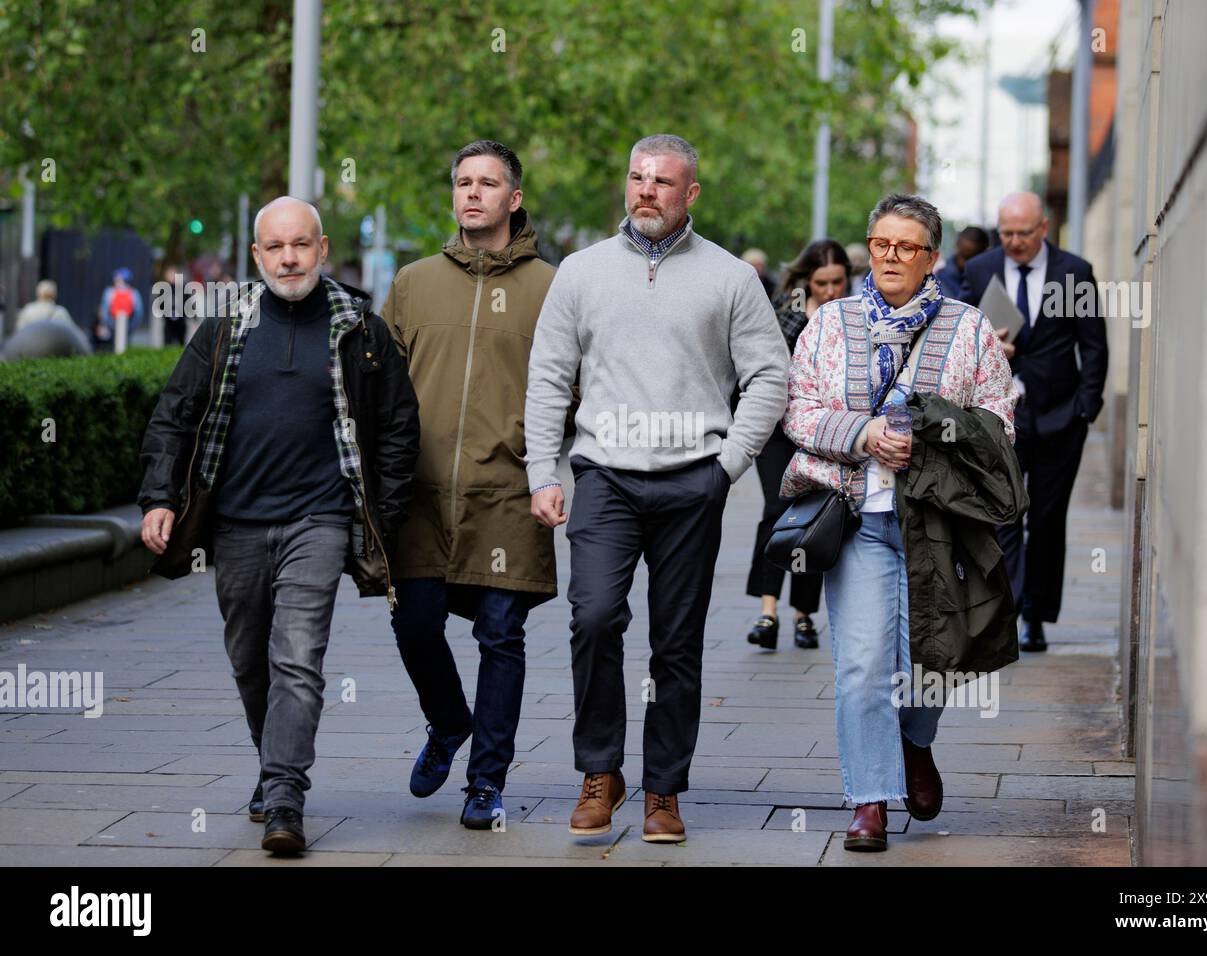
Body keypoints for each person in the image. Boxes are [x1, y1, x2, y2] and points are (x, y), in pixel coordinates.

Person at [525, 134, 788, 843]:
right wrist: (542, 472)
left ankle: (663, 791)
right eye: (637, 177)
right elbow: (549, 374)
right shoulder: (579, 273)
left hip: (691, 483)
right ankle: (599, 771)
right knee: (595, 617)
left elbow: (771, 374)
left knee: (676, 643)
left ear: (691, 194)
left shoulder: (731, 278)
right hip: (605, 478)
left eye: (662, 182)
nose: (645, 190)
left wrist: (727, 466)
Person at [137, 196, 420, 855]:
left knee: (298, 658)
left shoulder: (361, 330)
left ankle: (285, 798)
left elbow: (400, 431)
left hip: (318, 521)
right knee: (249, 660)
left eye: (301, 244)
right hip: (235, 525)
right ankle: (272, 767)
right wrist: (159, 497)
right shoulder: (227, 326)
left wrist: (384, 513)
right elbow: (173, 416)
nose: (289, 257)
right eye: (275, 247)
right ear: (257, 255)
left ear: (323, 251)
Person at [781, 193, 1018, 851]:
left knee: (930, 660)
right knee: (860, 665)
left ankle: (915, 742)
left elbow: (1000, 418)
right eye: (880, 243)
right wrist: (863, 434)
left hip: (937, 522)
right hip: (855, 519)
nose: (889, 256)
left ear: (931, 258)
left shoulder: (969, 329)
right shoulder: (829, 325)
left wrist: (932, 437)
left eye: (905, 246)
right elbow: (797, 413)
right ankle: (869, 800)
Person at [381, 140, 559, 829]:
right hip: (421, 493)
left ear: (514, 199)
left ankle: (486, 783)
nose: (473, 193)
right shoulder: (413, 283)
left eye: (488, 183)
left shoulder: (552, 287)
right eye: (462, 182)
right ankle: (448, 721)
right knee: (415, 622)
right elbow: (384, 387)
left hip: (508, 490)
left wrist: (540, 454)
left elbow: (572, 384)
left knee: (499, 634)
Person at [960, 192, 1108, 652]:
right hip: (1001, 415)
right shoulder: (981, 268)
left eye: (1023, 233)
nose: (1014, 242)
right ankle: (1012, 609)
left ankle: (1038, 615)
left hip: (1062, 416)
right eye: (1006, 233)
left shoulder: (1075, 272)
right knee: (1004, 515)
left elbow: (1095, 345)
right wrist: (988, 348)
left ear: (1043, 228)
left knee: (1046, 520)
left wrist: (1087, 406)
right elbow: (962, 335)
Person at [744, 239, 849, 651]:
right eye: (822, 282)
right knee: (776, 509)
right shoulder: (785, 312)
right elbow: (761, 366)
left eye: (838, 281)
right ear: (807, 279)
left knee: (813, 515)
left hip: (825, 431)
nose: (830, 290)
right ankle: (767, 611)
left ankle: (804, 615)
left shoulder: (853, 315)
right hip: (776, 428)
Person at [934, 226, 989, 299]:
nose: (963, 263)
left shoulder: (986, 279)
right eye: (962, 256)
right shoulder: (940, 277)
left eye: (970, 258)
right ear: (957, 245)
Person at [97, 268, 143, 351]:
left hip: (115, 324)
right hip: (124, 324)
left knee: (114, 346)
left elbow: (104, 310)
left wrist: (107, 323)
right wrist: (132, 325)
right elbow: (138, 313)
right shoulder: (134, 293)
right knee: (123, 345)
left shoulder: (109, 292)